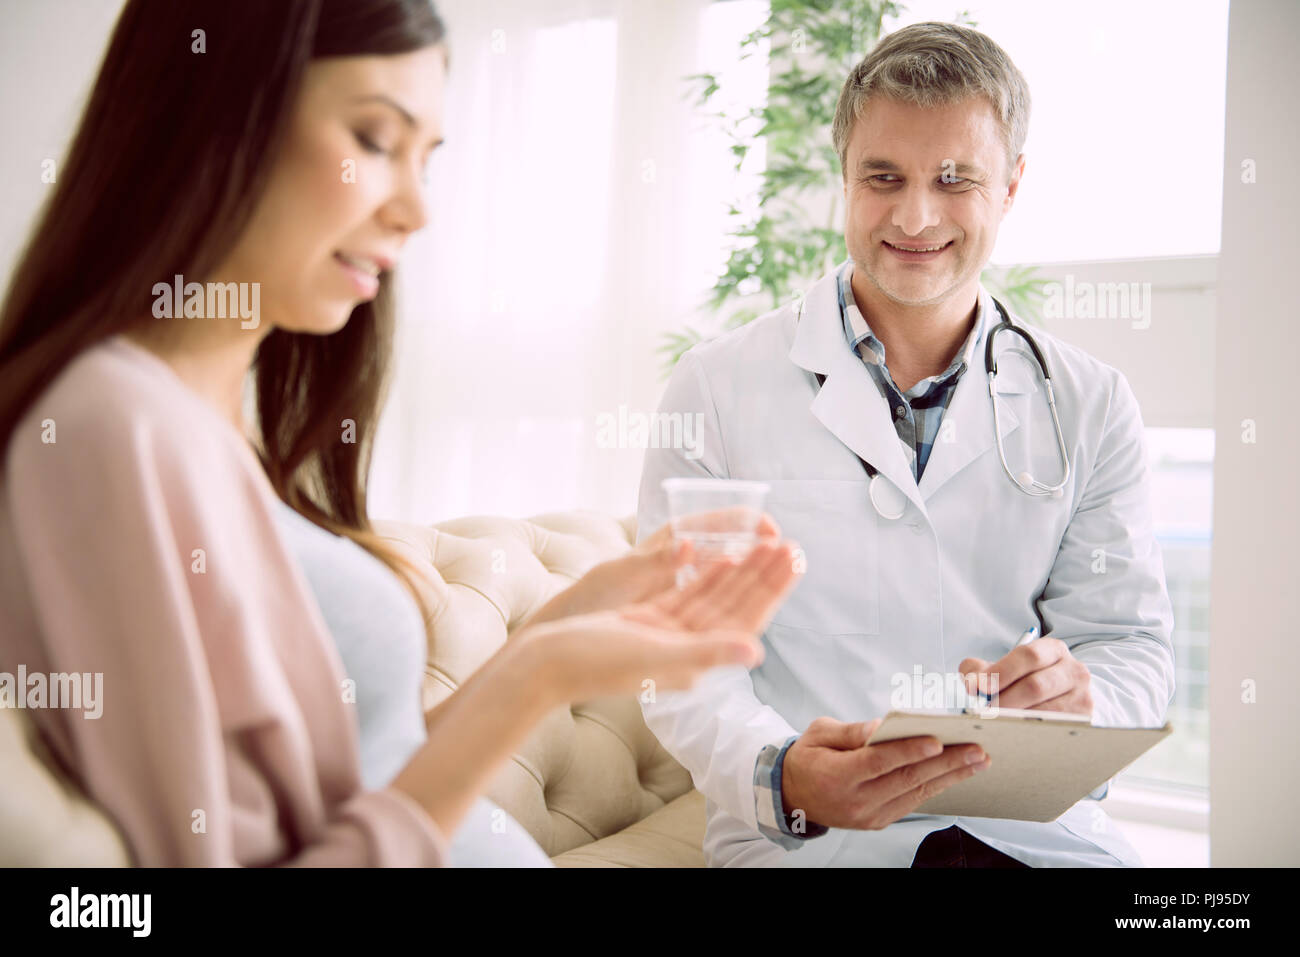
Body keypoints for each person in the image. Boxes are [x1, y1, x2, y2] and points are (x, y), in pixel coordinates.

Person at [0, 0, 804, 867]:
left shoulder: (208, 430)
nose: (417, 210)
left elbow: (360, 793)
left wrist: (559, 624)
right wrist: (545, 674)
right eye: (376, 141)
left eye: (427, 159)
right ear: (215, 117)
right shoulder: (109, 426)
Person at [637, 21, 1175, 867]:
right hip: (810, 836)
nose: (915, 216)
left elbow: (1128, 643)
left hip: (1029, 831)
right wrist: (783, 775)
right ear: (843, 180)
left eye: (955, 179)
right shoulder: (714, 390)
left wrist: (1088, 702)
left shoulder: (1091, 403)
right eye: (883, 177)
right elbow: (680, 662)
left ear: (1012, 186)